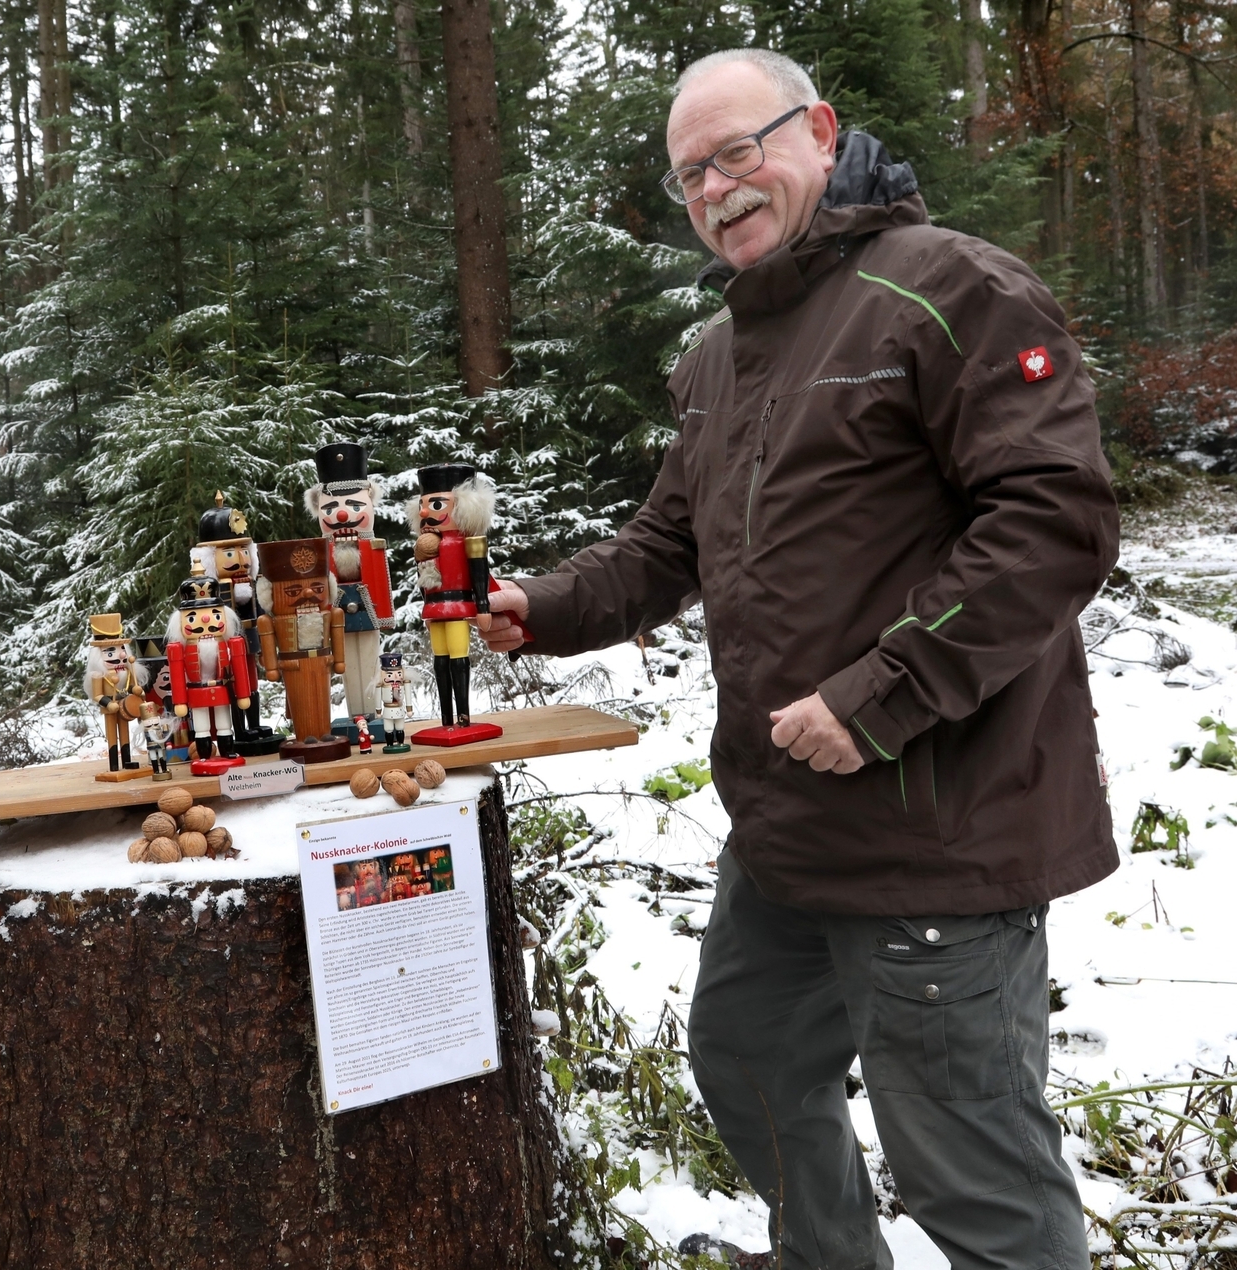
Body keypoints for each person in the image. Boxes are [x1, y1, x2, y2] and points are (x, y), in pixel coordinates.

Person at [479, 49, 1119, 1270]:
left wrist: (875, 697)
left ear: (817, 132)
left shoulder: (945, 289)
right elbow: (667, 542)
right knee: (749, 1055)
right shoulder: (723, 354)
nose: (716, 189)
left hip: (934, 827)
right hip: (787, 825)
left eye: (736, 151)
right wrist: (540, 607)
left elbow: (1052, 521)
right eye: (688, 177)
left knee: (969, 1170)